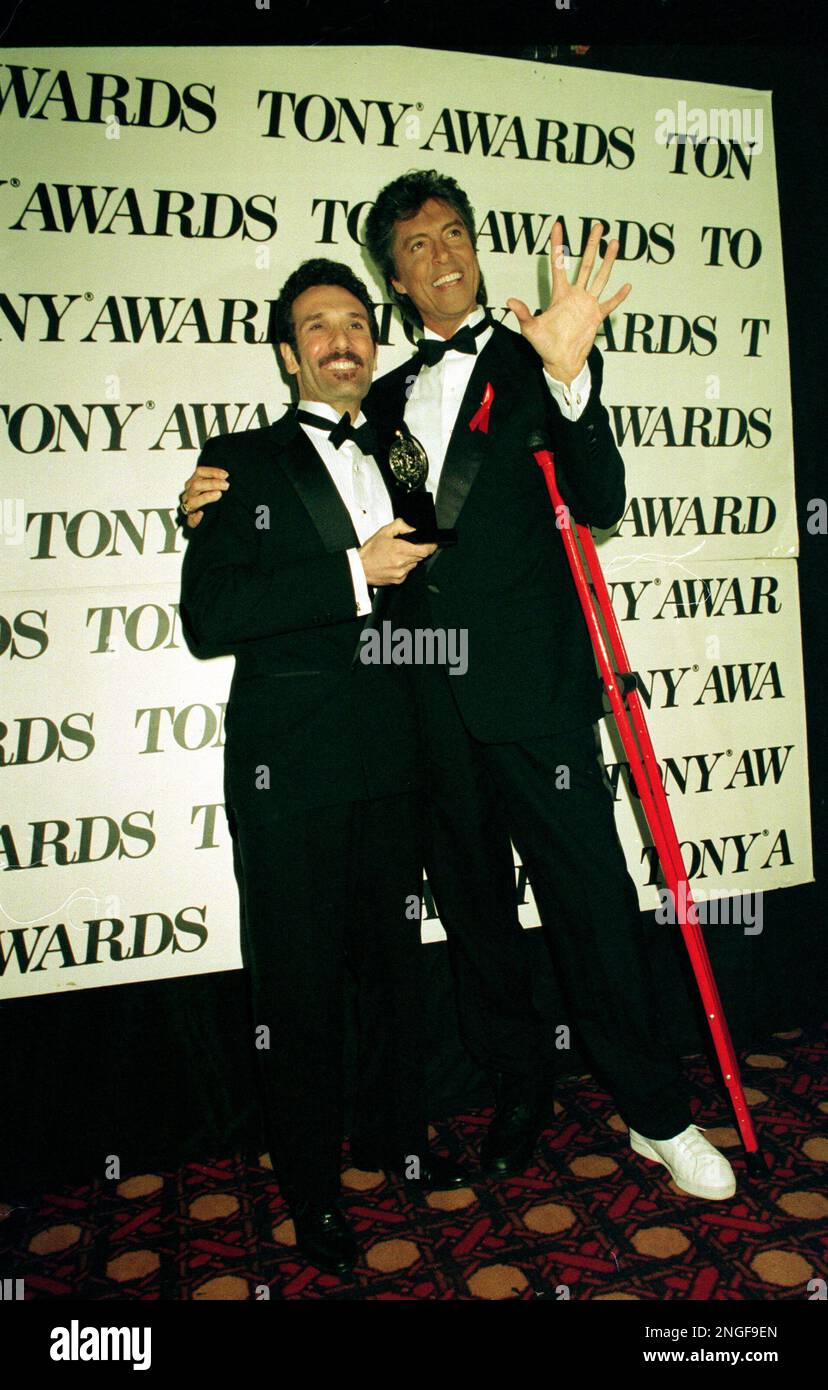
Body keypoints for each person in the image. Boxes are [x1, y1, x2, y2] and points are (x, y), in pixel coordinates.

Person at [181, 172, 736, 1202]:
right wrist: (212, 497)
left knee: (594, 907)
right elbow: (322, 535)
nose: (443, 255)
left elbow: (601, 496)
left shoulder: (538, 355)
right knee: (477, 920)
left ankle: (657, 1111)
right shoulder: (376, 401)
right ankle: (519, 1088)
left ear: (476, 248)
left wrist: (572, 384)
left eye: (455, 235)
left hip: (536, 694)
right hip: (422, 707)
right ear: (396, 279)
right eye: (418, 246)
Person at [179, 257, 467, 1277]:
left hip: (396, 762)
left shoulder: (404, 457)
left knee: (396, 974)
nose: (341, 338)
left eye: (356, 321)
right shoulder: (238, 462)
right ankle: (309, 1189)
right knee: (295, 992)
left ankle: (397, 1138)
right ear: (288, 349)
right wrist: (353, 572)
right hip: (290, 774)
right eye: (317, 325)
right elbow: (211, 618)